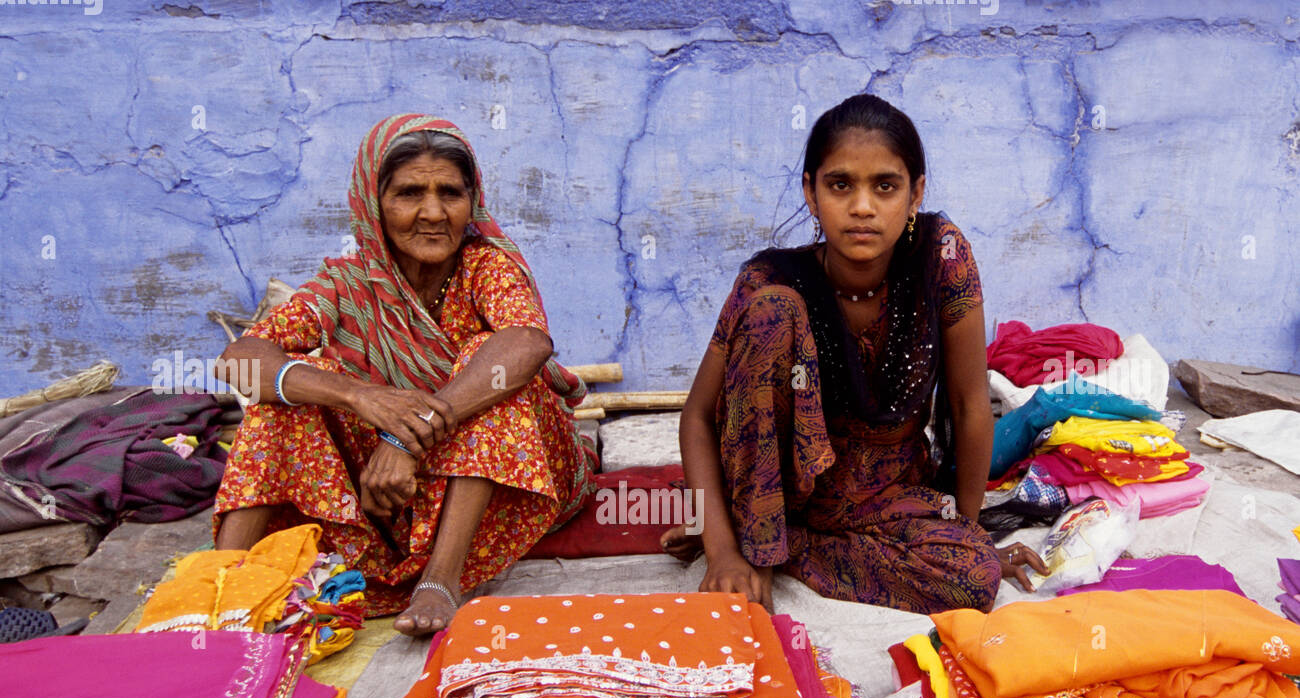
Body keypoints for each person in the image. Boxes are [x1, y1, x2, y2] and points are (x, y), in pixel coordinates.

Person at [209, 114, 594, 636]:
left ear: (471, 201)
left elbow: (526, 342)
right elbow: (243, 359)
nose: (433, 213)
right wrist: (358, 395)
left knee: (494, 364)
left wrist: (406, 435)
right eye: (410, 193)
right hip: (391, 495)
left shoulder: (488, 267)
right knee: (287, 390)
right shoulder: (349, 283)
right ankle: (222, 582)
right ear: (374, 201)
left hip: (504, 483)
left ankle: (441, 577)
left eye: (450, 193)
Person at [666, 93, 1045, 614]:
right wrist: (723, 551)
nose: (862, 206)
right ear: (811, 191)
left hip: (887, 502)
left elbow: (969, 404)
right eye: (840, 184)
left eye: (885, 186)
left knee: (973, 578)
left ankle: (781, 548)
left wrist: (969, 533)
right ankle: (755, 536)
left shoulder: (942, 257)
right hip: (778, 491)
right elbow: (697, 417)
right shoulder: (769, 280)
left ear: (915, 195)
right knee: (772, 310)